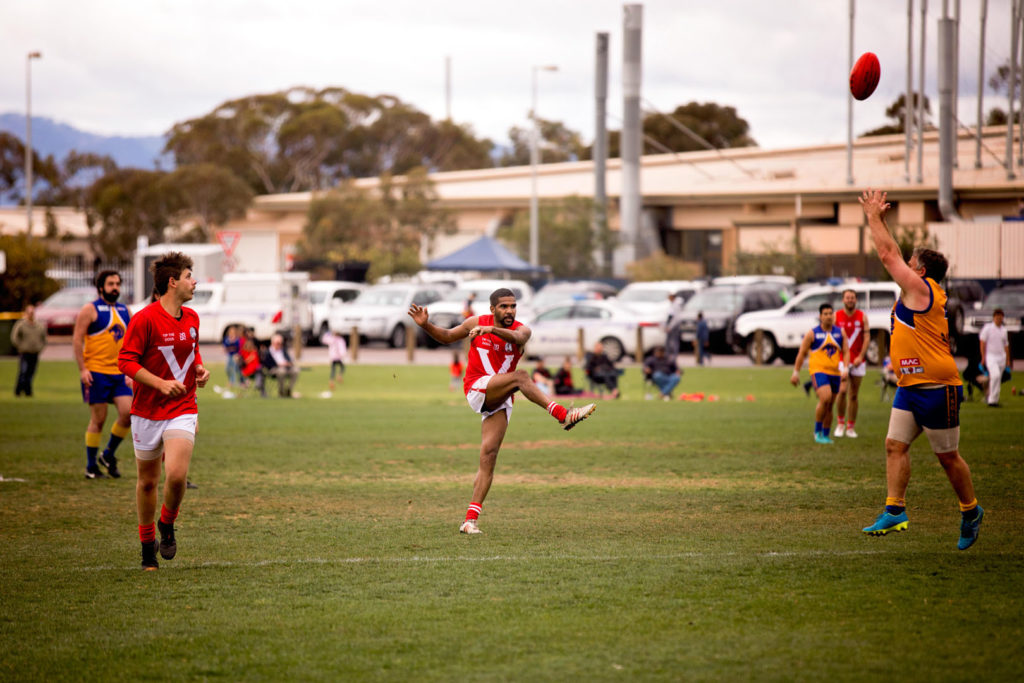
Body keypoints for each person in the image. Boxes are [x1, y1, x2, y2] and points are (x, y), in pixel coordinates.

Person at [408, 288, 596, 534]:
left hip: (501, 396)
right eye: (504, 306)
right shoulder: (475, 322)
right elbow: (446, 336)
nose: (509, 311)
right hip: (477, 387)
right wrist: (425, 325)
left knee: (488, 457)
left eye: (513, 306)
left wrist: (492, 330)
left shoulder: (522, 329)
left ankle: (469, 520)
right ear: (492, 309)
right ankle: (562, 415)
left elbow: (519, 339)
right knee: (520, 376)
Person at [858, 189, 983, 550]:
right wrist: (880, 220)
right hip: (909, 386)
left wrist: (873, 218)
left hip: (936, 386)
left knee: (947, 458)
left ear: (922, 271)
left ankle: (970, 510)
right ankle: (895, 510)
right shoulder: (916, 290)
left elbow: (886, 253)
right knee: (894, 446)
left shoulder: (922, 289)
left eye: (910, 263)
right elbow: (893, 252)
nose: (904, 266)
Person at [118, 252, 209, 570]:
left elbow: (193, 351)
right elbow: (126, 362)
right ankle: (146, 548)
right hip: (145, 412)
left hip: (183, 408)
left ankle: (167, 525)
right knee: (147, 482)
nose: (194, 281)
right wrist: (158, 383)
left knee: (177, 475)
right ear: (172, 282)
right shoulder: (144, 319)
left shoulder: (193, 317)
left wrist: (199, 370)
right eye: (188, 276)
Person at [73, 270, 134, 479]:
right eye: (110, 284)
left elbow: (133, 342)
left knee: (128, 413)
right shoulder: (89, 310)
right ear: (101, 287)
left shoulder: (126, 310)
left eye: (117, 283)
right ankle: (91, 466)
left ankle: (108, 454)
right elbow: (76, 340)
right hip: (96, 373)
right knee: (99, 419)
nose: (115, 287)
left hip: (120, 374)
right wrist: (83, 369)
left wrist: (132, 370)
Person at [790, 302, 850, 444]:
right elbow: (802, 353)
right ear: (820, 316)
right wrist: (796, 373)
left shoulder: (840, 332)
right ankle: (817, 432)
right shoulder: (813, 333)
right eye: (826, 314)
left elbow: (846, 352)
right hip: (818, 371)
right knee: (825, 398)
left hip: (835, 373)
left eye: (831, 313)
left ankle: (826, 434)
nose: (829, 316)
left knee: (830, 405)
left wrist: (846, 368)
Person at [834, 289, 869, 438]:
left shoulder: (862, 317)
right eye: (847, 298)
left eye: (852, 298)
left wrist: (860, 356)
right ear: (843, 300)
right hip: (842, 359)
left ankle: (850, 427)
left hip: (858, 360)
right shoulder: (837, 316)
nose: (850, 300)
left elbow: (866, 338)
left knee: (853, 395)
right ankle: (840, 423)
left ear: (855, 300)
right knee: (842, 390)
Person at [11, 303, 47, 397]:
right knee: (23, 371)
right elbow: (14, 337)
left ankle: (28, 391)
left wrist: (40, 348)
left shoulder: (39, 325)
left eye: (33, 312)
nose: (31, 314)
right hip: (24, 352)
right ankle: (18, 390)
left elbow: (44, 339)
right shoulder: (21, 324)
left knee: (31, 372)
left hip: (34, 352)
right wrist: (20, 346)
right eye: (29, 312)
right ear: (26, 313)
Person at [979, 308, 1011, 407]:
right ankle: (991, 400)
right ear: (994, 318)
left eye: (1000, 317)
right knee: (995, 375)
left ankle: (995, 400)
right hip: (991, 356)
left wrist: (1008, 360)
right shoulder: (988, 328)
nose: (999, 319)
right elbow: (982, 342)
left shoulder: (1004, 330)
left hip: (1001, 357)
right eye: (997, 317)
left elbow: (1006, 346)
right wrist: (983, 357)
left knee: (998, 378)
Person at [264, 333, 300, 397]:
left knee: (296, 370)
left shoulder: (283, 350)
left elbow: (289, 359)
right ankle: (281, 391)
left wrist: (288, 363)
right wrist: (278, 364)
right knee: (281, 371)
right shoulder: (268, 352)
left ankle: (289, 389)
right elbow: (267, 364)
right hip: (274, 369)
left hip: (286, 368)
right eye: (278, 343)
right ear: (273, 342)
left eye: (281, 343)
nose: (279, 345)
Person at [322, 328, 349, 393]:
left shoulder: (332, 339)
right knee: (342, 367)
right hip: (338, 357)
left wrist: (327, 334)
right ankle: (339, 375)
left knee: (333, 370)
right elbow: (342, 348)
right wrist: (343, 354)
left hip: (333, 357)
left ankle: (331, 381)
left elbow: (324, 339)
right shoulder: (340, 340)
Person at [222, 325, 242, 397]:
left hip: (235, 356)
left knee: (234, 368)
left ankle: (232, 382)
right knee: (227, 369)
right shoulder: (226, 339)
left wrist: (238, 355)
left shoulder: (237, 340)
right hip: (229, 356)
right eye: (231, 332)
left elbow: (240, 348)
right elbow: (224, 347)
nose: (232, 333)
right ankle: (231, 380)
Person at [665, 292, 685, 359]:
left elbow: (676, 318)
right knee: (669, 342)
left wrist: (670, 327)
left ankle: (674, 356)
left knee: (674, 341)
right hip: (671, 326)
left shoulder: (676, 305)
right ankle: (669, 355)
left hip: (674, 327)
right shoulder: (672, 304)